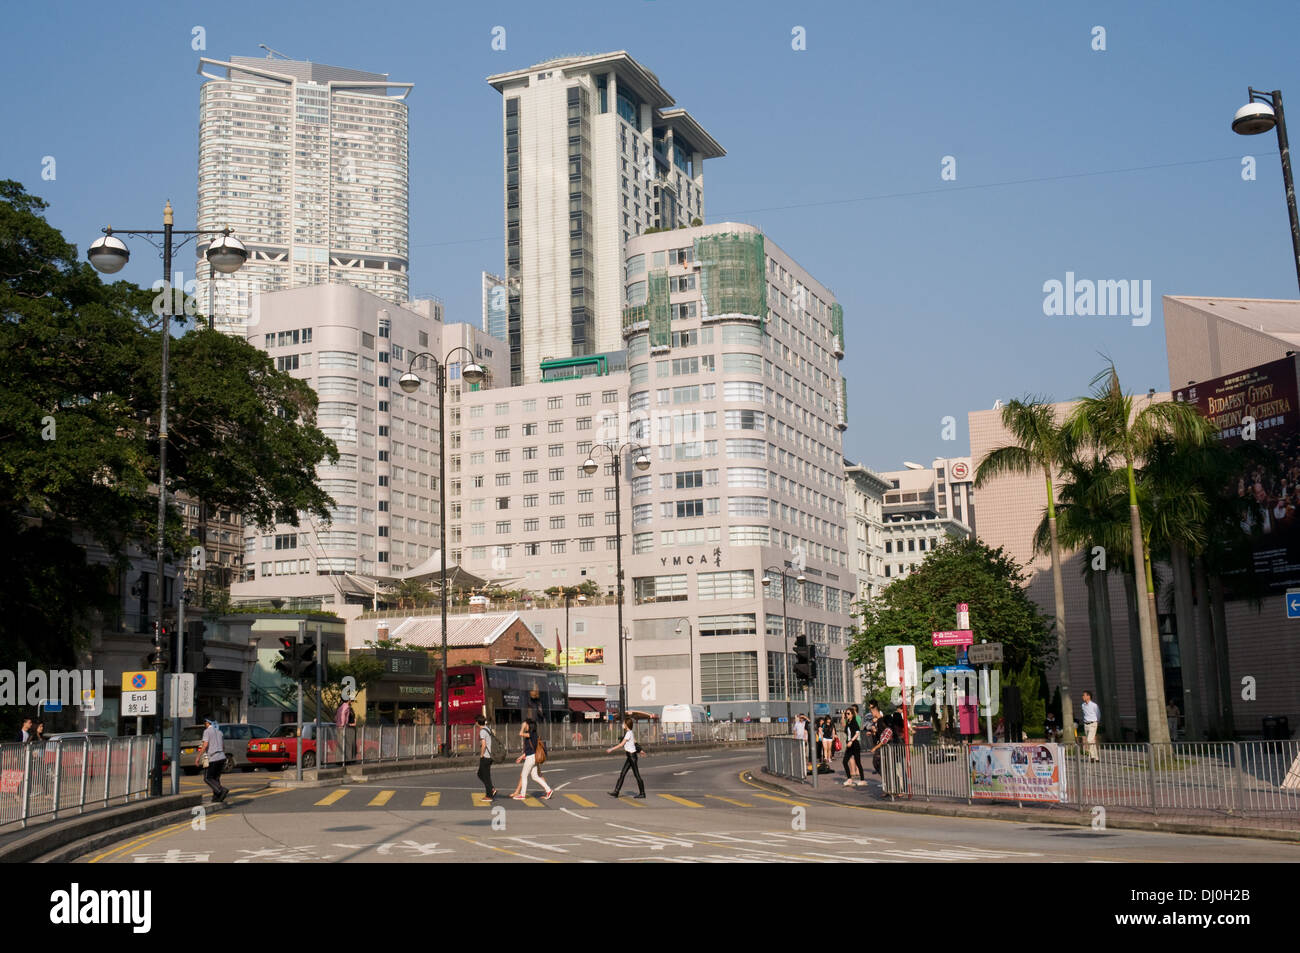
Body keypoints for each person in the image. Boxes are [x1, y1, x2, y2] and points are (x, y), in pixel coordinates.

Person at [606, 716, 646, 798]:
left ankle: (642, 793)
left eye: (624, 723)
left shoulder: (628, 733)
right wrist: (640, 750)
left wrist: (611, 749)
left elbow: (621, 744)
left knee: (637, 775)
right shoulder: (630, 732)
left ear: (626, 725)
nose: (622, 725)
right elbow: (635, 742)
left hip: (632, 757)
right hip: (630, 757)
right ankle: (616, 791)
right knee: (622, 773)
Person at [513, 718, 553, 800]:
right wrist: (521, 757)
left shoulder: (531, 734)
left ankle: (522, 795)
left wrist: (523, 727)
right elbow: (530, 749)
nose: (524, 725)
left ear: (528, 725)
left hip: (531, 758)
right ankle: (548, 790)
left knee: (524, 775)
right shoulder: (533, 734)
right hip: (533, 757)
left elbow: (520, 733)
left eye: (525, 724)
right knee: (535, 776)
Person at [196, 715, 229, 803]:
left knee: (207, 778)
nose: (205, 724)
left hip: (213, 758)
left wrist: (198, 757)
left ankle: (221, 790)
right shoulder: (219, 732)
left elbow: (205, 745)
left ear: (208, 723)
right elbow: (223, 746)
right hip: (222, 757)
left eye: (205, 723)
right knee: (216, 778)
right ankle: (216, 798)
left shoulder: (207, 732)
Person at [476, 715, 497, 800]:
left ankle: (489, 795)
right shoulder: (487, 729)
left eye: (476, 721)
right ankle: (491, 789)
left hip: (486, 756)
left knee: (486, 776)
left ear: (478, 722)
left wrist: (481, 755)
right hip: (490, 755)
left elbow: (483, 745)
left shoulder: (482, 731)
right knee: (480, 774)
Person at [841, 708, 863, 785]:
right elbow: (843, 725)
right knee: (844, 762)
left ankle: (862, 780)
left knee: (858, 762)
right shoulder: (848, 722)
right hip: (849, 745)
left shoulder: (854, 722)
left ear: (852, 714)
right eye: (846, 713)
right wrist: (843, 717)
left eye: (848, 713)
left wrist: (851, 741)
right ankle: (849, 779)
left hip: (855, 744)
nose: (847, 715)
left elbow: (857, 733)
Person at [1081, 691, 1101, 762]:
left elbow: (1098, 714)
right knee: (1092, 741)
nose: (1082, 697)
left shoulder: (1094, 705)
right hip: (1086, 724)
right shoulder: (1083, 705)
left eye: (1084, 695)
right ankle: (1097, 758)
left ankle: (1092, 756)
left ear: (1088, 696)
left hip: (1093, 724)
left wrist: (1097, 722)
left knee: (1089, 740)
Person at [334, 697, 354, 765]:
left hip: (338, 727)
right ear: (348, 700)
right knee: (346, 744)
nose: (351, 701)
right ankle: (345, 761)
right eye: (350, 700)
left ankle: (338, 760)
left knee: (339, 744)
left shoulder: (340, 707)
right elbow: (343, 715)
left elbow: (336, 717)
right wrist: (343, 724)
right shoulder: (347, 707)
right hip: (343, 728)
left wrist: (338, 723)